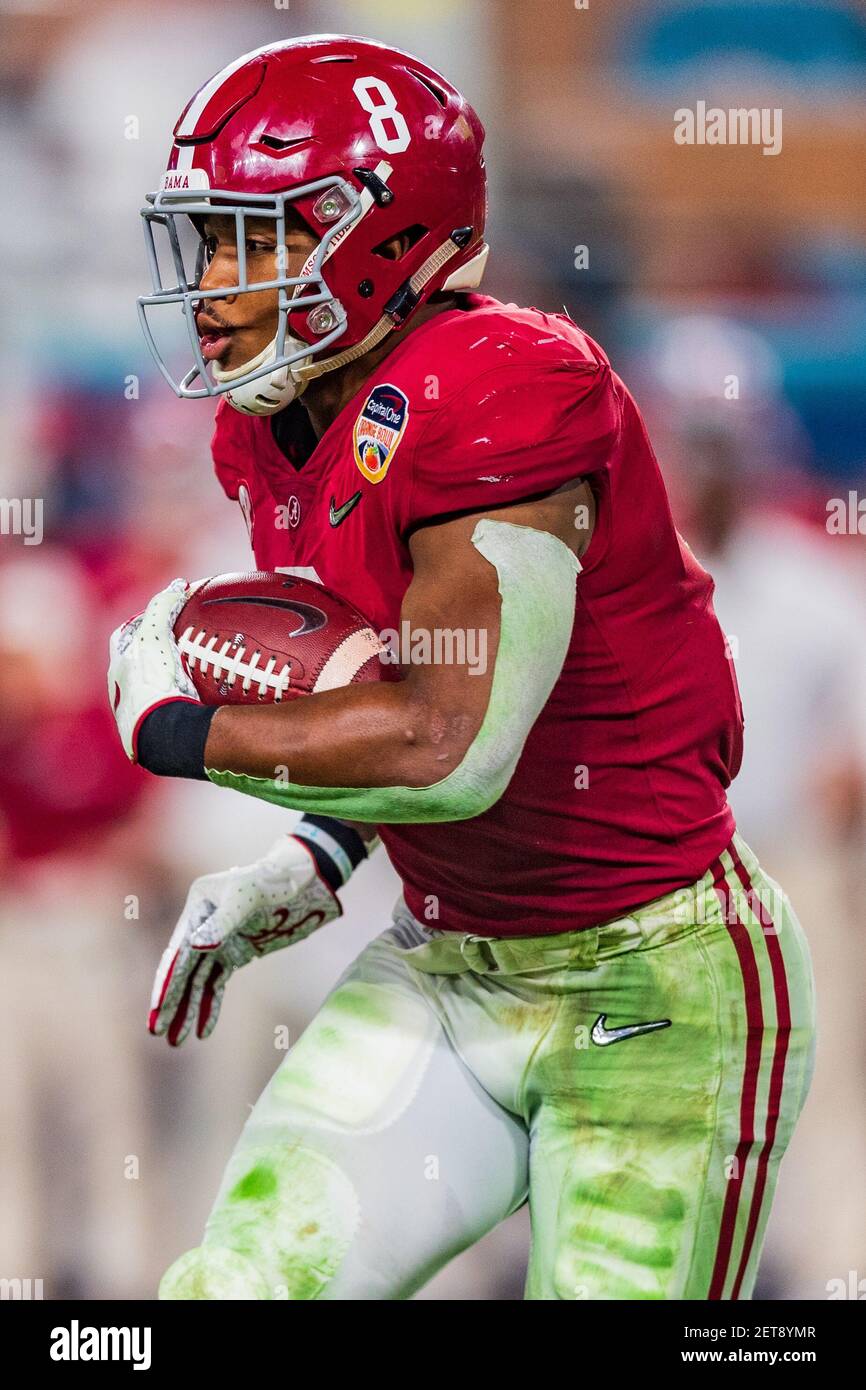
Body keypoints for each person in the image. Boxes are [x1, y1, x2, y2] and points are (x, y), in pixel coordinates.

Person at [109, 34, 816, 1300]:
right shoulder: (269, 425)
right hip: (446, 965)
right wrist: (314, 856)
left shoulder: (509, 383)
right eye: (206, 240)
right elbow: (388, 683)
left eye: (249, 240)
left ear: (373, 238)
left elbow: (449, 744)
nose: (211, 285)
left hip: (649, 981)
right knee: (237, 1291)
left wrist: (179, 729)